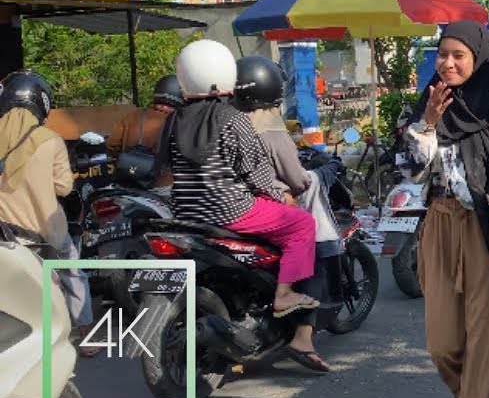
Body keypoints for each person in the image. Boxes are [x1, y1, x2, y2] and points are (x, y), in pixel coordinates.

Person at [406, 22, 489, 398]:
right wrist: (428, 123)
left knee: (485, 347)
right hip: (438, 225)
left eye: (459, 55)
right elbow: (409, 169)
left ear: (479, 57)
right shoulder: (430, 101)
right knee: (442, 345)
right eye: (442, 54)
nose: (448, 63)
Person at [169, 40, 318, 317]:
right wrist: (281, 197)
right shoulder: (233, 117)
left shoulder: (174, 119)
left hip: (185, 213)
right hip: (230, 211)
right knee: (302, 224)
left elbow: (166, 167)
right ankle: (284, 294)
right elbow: (257, 175)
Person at [233, 55, 338, 374]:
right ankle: (304, 338)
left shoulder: (226, 122)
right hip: (268, 212)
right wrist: (312, 177)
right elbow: (298, 180)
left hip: (229, 210)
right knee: (315, 254)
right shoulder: (269, 127)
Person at [0, 70, 98, 356]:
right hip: (45, 233)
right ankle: (87, 334)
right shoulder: (50, 140)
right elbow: (65, 187)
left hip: (6, 236)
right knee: (73, 272)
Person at [106, 74, 183, 190]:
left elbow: (111, 145)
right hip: (161, 187)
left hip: (127, 182)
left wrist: (129, 161)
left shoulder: (134, 115)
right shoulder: (179, 122)